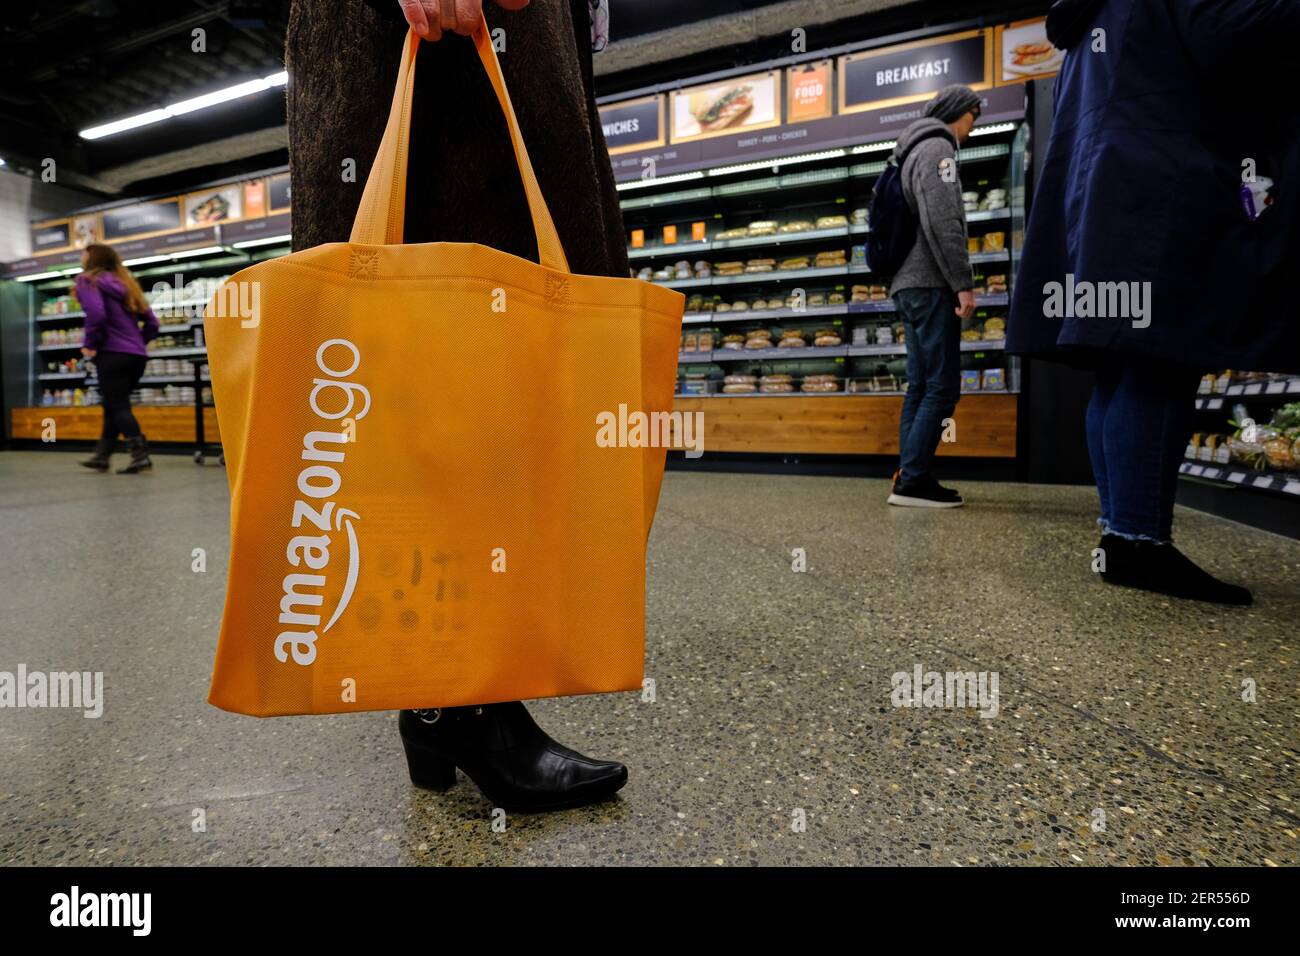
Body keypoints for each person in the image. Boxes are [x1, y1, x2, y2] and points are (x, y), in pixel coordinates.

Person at [285, 0, 630, 811]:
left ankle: (445, 700)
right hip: (442, 56)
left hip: (502, 50)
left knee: (474, 397)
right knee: (444, 382)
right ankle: (466, 701)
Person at [1007, 0, 1300, 606]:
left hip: (1098, 192)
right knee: (1159, 360)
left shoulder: (1087, 17)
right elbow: (1228, 35)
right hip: (1157, 184)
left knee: (1117, 367)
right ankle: (1140, 542)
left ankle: (1118, 533)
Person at [886, 84, 981, 509]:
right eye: (972, 118)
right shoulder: (938, 149)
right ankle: (914, 480)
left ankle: (909, 474)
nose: (972, 129)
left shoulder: (910, 150)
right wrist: (962, 282)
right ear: (957, 112)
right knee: (942, 387)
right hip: (930, 283)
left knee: (921, 385)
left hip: (908, 284)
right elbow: (944, 219)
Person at [76, 243, 160, 474]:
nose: (81, 257)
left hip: (112, 354)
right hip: (136, 357)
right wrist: (137, 343)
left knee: (119, 405)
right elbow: (153, 323)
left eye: (84, 253)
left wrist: (90, 345)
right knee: (113, 404)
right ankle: (102, 456)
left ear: (92, 258)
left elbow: (96, 314)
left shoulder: (87, 280)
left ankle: (140, 456)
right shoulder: (127, 284)